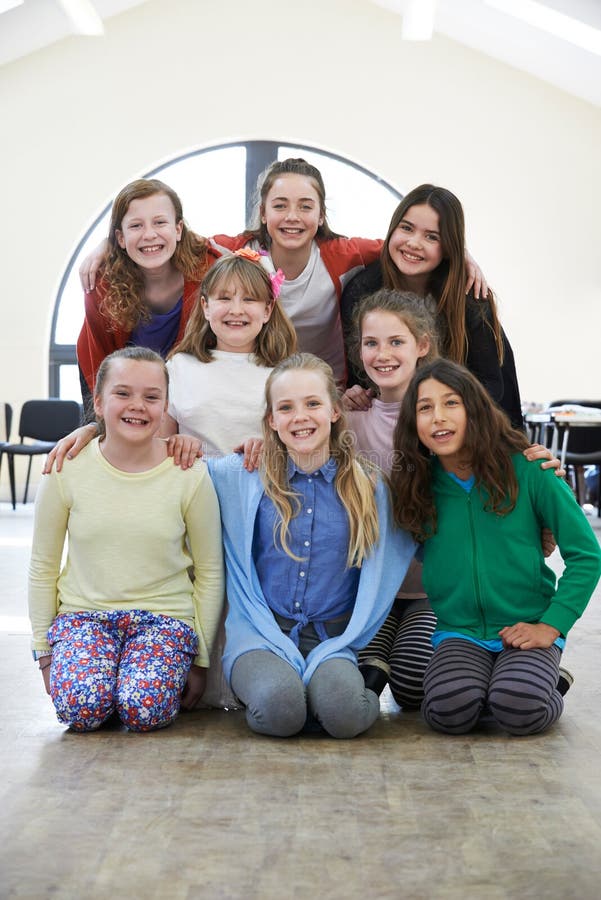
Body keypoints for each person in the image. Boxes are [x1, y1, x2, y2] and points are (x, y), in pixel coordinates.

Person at [80, 160, 487, 388]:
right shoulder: (234, 249)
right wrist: (107, 244)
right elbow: (167, 236)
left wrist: (460, 252)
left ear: (321, 215)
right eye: (280, 205)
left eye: (305, 206)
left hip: (328, 388)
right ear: (262, 212)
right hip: (260, 385)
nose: (292, 216)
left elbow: (403, 244)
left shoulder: (340, 254)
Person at [206, 353, 416, 738]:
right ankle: (297, 693)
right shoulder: (243, 476)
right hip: (260, 634)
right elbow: (167, 464)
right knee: (281, 711)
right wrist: (87, 432)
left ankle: (352, 683)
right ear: (272, 420)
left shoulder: (368, 486)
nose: (300, 416)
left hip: (333, 640)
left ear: (335, 411)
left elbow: (425, 519)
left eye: (313, 404)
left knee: (345, 717)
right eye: (286, 407)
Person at [390, 358, 601, 736]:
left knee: (520, 708)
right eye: (425, 408)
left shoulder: (531, 471)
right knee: (446, 712)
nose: (438, 417)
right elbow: (424, 551)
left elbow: (587, 555)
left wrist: (551, 626)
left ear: (475, 408)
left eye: (451, 402)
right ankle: (497, 688)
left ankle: (542, 681)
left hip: (528, 625)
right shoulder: (416, 485)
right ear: (413, 423)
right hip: (459, 631)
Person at [28, 347, 224, 732]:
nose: (138, 405)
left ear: (165, 406)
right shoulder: (65, 469)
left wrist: (200, 660)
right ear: (98, 403)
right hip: (84, 618)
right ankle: (103, 686)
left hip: (164, 621)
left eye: (152, 397)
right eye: (123, 393)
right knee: (80, 710)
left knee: (143, 709)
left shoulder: (188, 474)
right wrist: (45, 654)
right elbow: (42, 566)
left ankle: (125, 686)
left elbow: (210, 571)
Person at [341, 184, 523, 427]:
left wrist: (435, 413)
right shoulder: (362, 290)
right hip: (391, 428)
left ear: (449, 247)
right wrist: (356, 395)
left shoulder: (468, 295)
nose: (414, 243)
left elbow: (491, 387)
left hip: (467, 425)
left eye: (431, 236)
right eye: (406, 228)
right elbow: (361, 373)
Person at [343, 290, 439, 707]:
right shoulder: (348, 420)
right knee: (361, 680)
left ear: (422, 345)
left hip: (431, 591)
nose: (382, 354)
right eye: (371, 343)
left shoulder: (446, 416)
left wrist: (539, 459)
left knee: (414, 687)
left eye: (396, 341)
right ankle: (377, 651)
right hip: (371, 591)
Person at [77, 178, 219, 416]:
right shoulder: (101, 284)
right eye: (136, 226)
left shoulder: (209, 268)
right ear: (120, 238)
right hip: (107, 369)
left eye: (160, 222)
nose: (149, 234)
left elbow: (245, 249)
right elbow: (100, 358)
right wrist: (101, 418)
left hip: (185, 381)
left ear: (178, 229)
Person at [164, 249, 296, 457]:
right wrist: (174, 443)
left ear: (267, 311)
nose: (236, 310)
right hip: (196, 484)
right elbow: (156, 445)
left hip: (263, 485)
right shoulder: (178, 367)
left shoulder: (287, 374)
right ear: (206, 307)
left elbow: (300, 445)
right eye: (224, 298)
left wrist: (273, 450)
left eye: (249, 299)